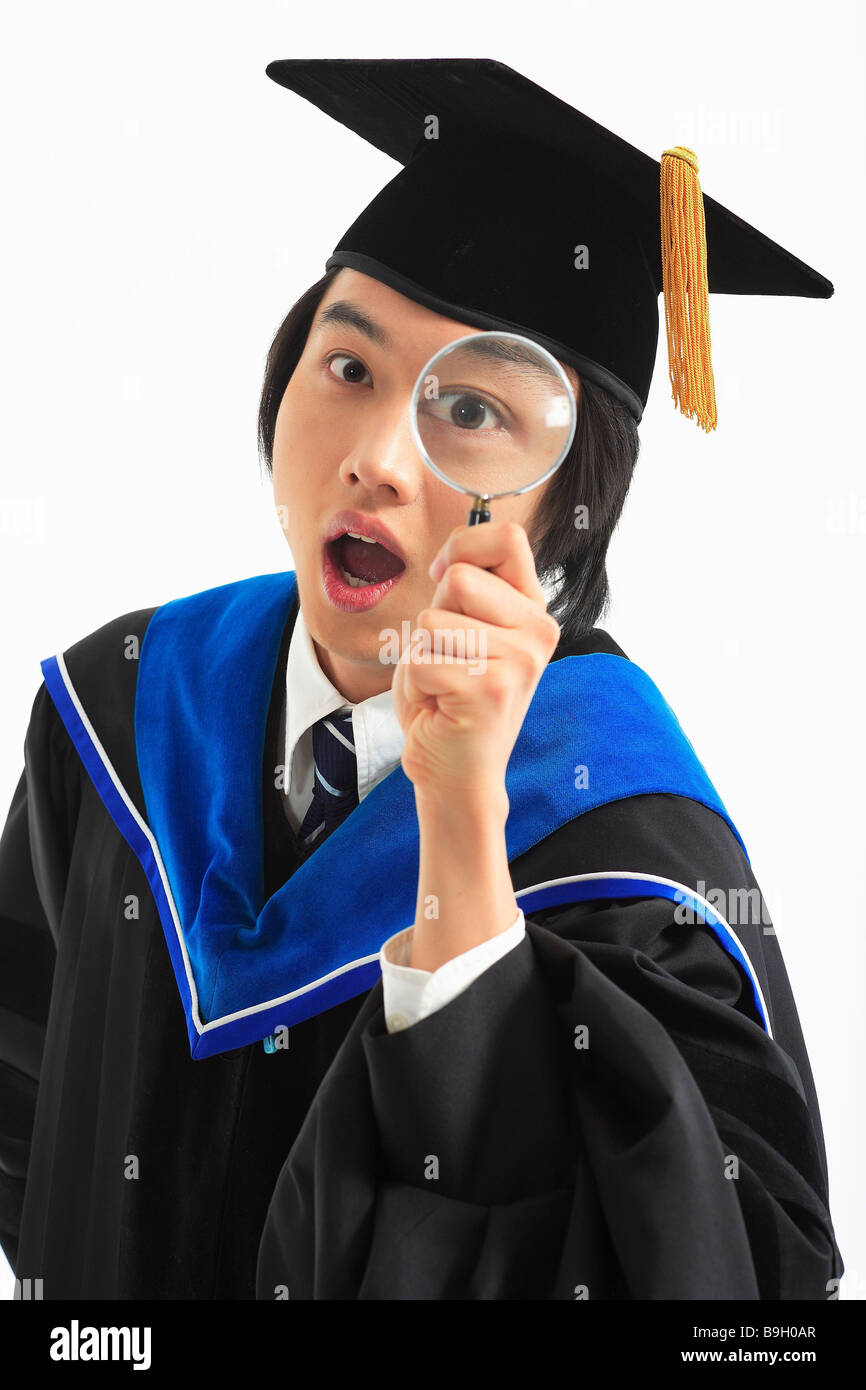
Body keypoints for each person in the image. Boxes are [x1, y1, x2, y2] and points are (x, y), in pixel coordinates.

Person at [0, 58, 842, 1300]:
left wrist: (460, 846)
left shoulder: (632, 848)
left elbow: (721, 1289)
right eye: (348, 370)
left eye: (471, 410)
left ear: (569, 507)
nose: (379, 460)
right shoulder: (123, 712)